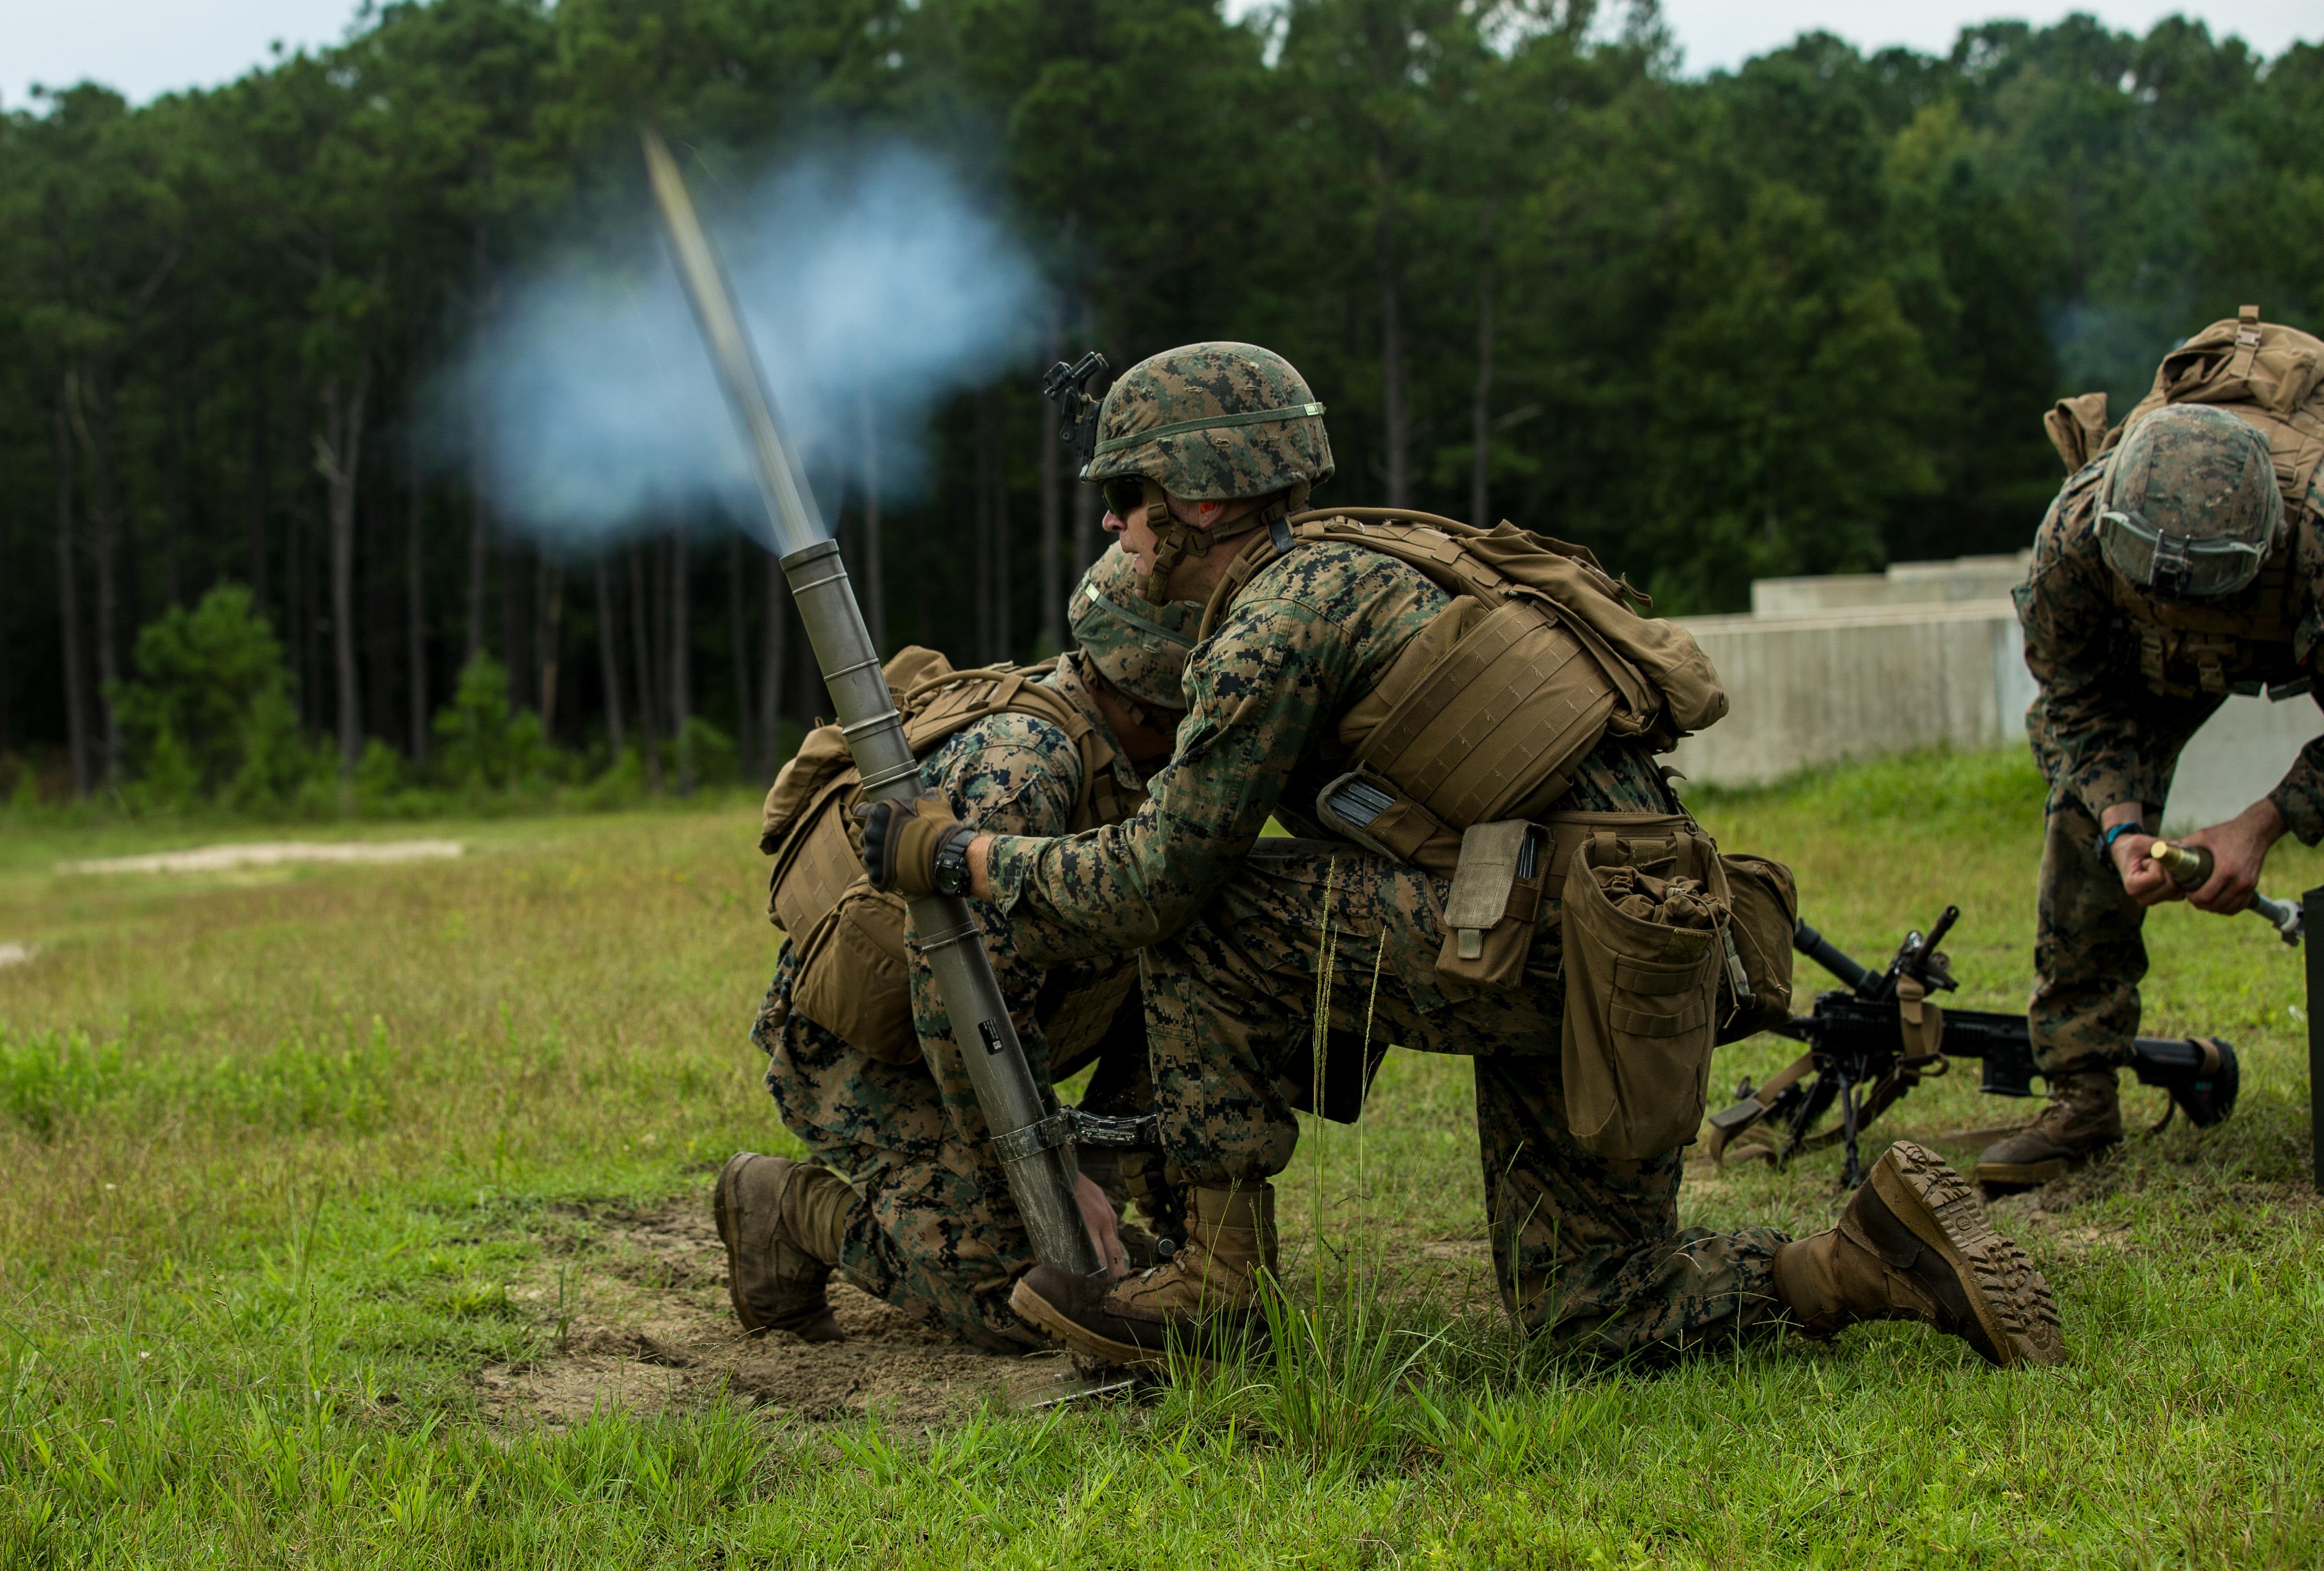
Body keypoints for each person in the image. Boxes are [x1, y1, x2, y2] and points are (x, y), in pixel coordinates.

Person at [859, 341, 2066, 1371]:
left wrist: (956, 853)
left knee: (1210, 913)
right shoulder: (1367, 568)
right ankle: (1866, 1258)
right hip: (1628, 933)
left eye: (1128, 492)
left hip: (1555, 932)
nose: (1116, 524)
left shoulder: (1274, 628)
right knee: (1596, 1315)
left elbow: (1152, 880)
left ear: (1205, 496)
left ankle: (1219, 1289)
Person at [716, 546, 1201, 1350]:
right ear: (1155, 686)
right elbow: (959, 998)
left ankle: (1102, 1181)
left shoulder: (1139, 760)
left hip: (997, 1036)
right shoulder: (1024, 770)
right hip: (874, 1057)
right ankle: (787, 1209)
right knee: (1031, 1299)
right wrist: (1047, 1179)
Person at [1988, 309, 2324, 1189]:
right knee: (2079, 810)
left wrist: (2262, 824)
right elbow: (2077, 699)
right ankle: (2081, 1097)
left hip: (2297, 620)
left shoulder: (2323, 535)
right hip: (2143, 666)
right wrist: (2120, 824)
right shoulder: (2077, 534)